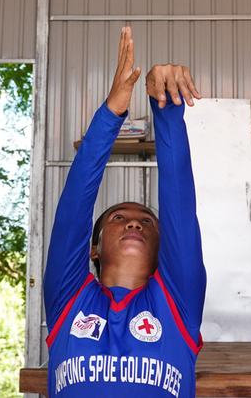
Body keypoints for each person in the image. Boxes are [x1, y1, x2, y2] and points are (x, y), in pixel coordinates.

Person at [44, 27, 205, 398]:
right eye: (117, 218)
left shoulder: (176, 303)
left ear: (165, 247)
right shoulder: (70, 301)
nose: (134, 221)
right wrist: (111, 112)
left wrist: (165, 110)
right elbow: (73, 212)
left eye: (147, 221)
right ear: (93, 249)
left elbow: (180, 202)